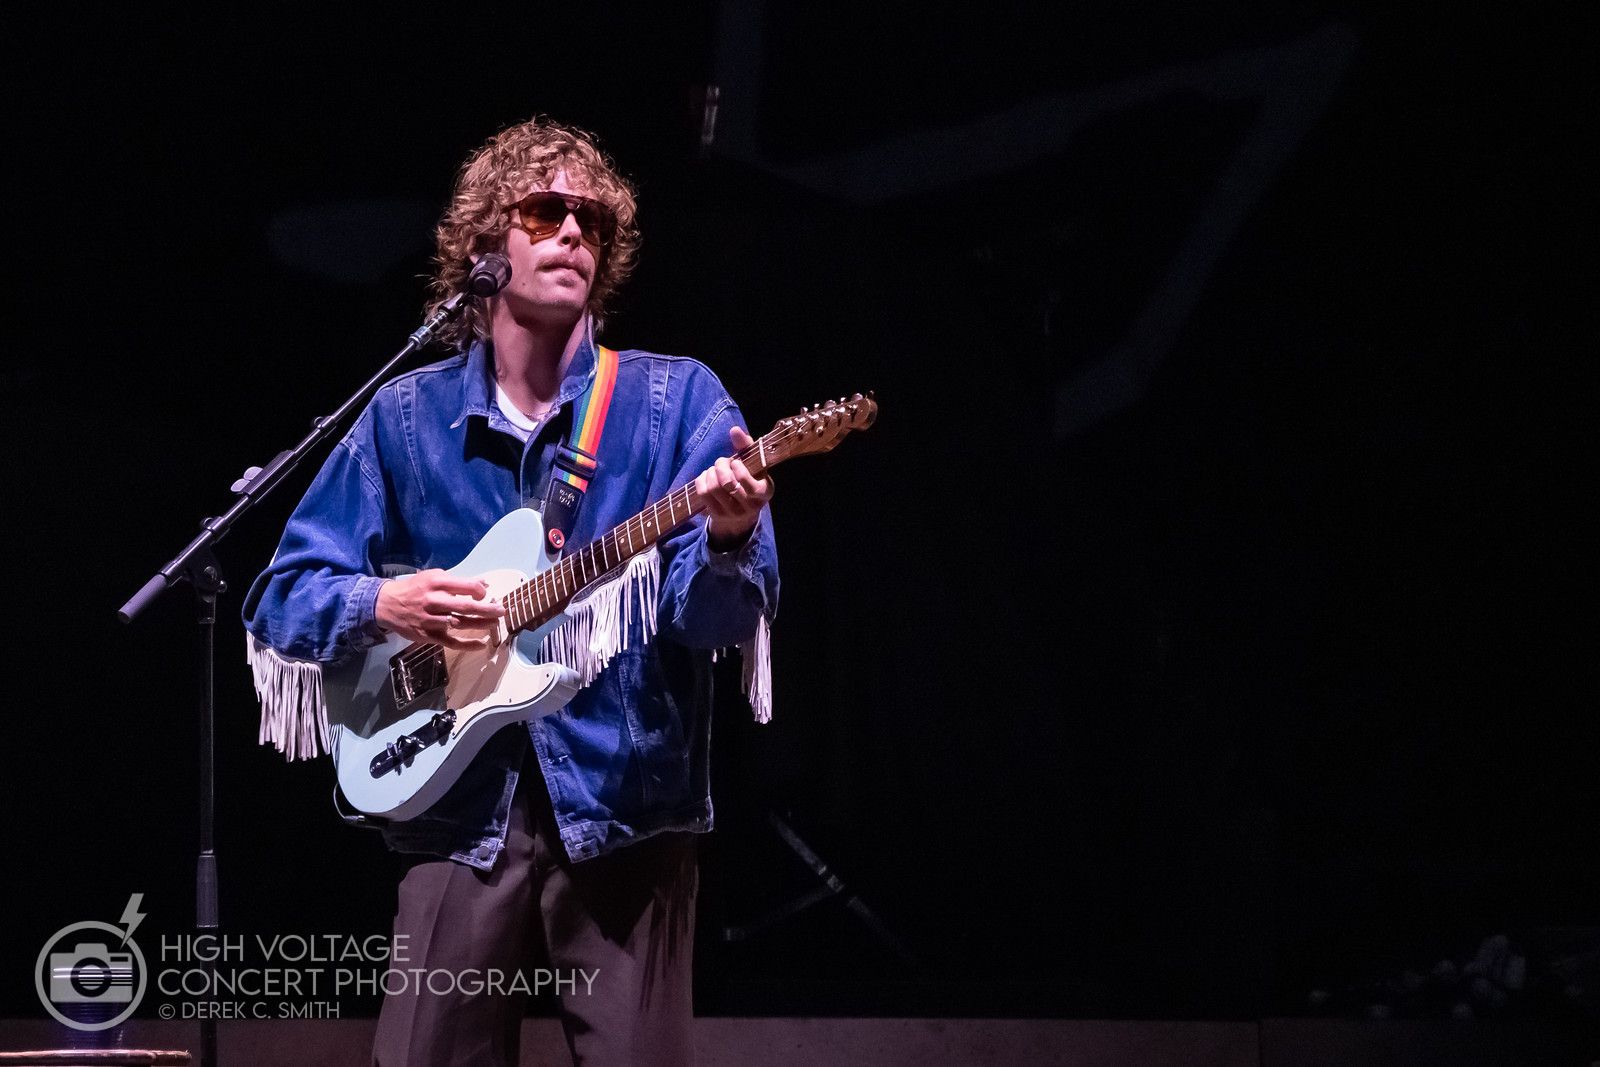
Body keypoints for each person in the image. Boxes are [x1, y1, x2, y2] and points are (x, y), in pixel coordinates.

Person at [241, 117, 779, 1066]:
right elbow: (284, 594)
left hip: (626, 809)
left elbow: (712, 621)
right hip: (454, 810)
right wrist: (384, 604)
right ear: (489, 244)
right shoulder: (406, 415)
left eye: (593, 221)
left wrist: (729, 534)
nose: (575, 231)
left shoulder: (676, 403)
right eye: (547, 211)